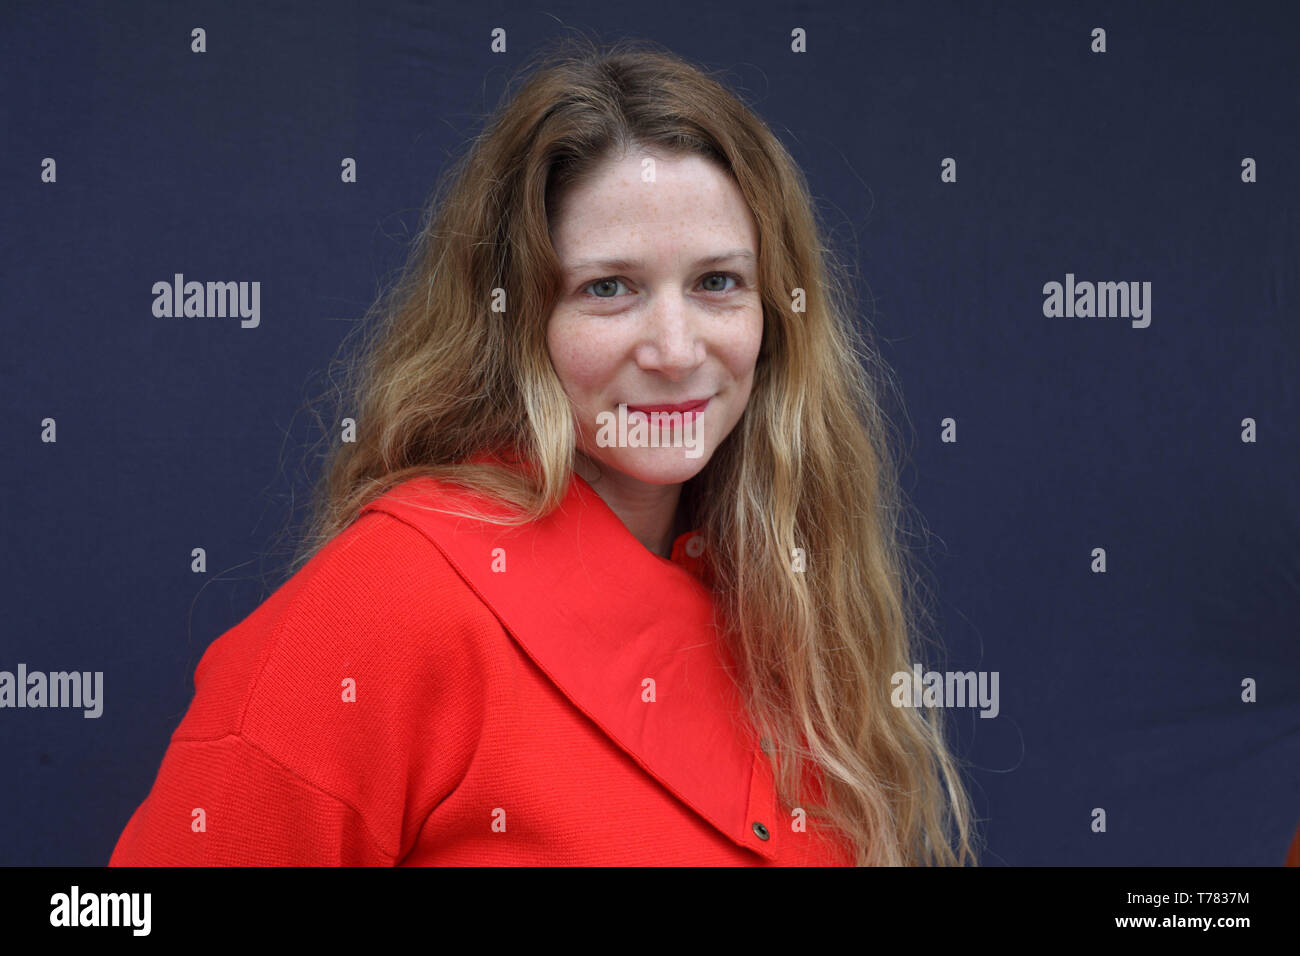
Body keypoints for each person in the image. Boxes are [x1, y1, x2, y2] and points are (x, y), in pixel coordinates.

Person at [109, 36, 977, 866]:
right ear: (518, 320)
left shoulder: (790, 604)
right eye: (609, 288)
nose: (675, 349)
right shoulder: (388, 602)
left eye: (718, 283)